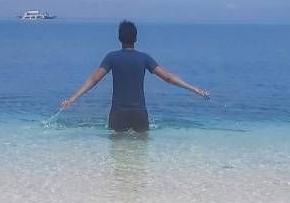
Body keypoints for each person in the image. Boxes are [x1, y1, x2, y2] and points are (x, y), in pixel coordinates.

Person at [59, 20, 209, 132]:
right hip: (140, 114)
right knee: (141, 158)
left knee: (118, 156)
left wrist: (72, 99)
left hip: (118, 113)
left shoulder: (112, 57)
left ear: (119, 38)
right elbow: (168, 77)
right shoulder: (144, 58)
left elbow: (94, 80)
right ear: (136, 39)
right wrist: (194, 89)